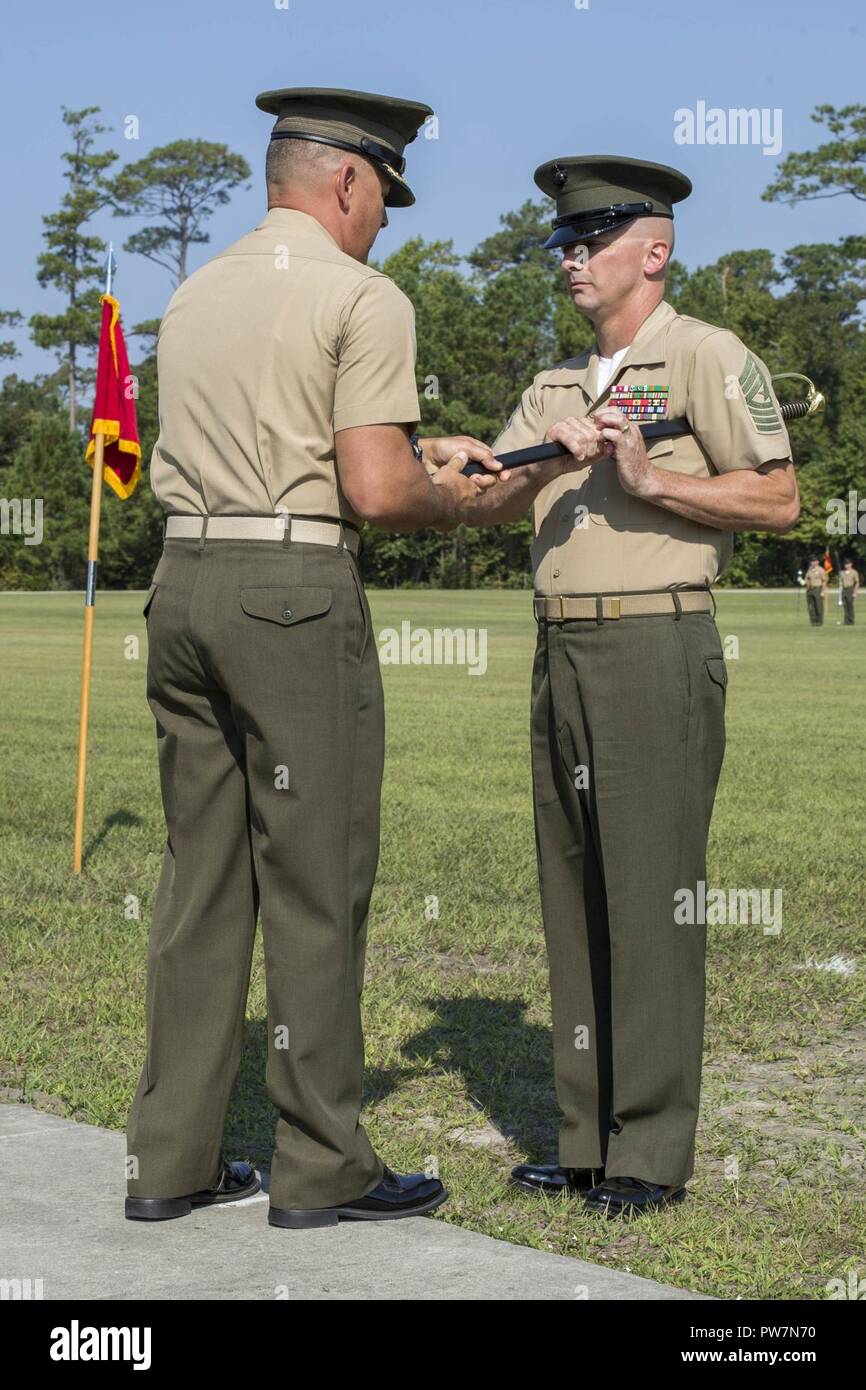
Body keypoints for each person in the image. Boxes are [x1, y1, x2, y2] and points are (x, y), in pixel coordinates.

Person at [125, 86, 503, 1229]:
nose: (383, 220)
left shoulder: (194, 291)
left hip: (183, 583)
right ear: (344, 179)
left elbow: (267, 434)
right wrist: (457, 492)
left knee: (200, 885)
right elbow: (376, 492)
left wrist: (407, 447)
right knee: (314, 886)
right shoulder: (359, 294)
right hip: (291, 599)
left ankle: (169, 1160)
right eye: (382, 197)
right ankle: (322, 1164)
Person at [461, 155, 799, 1217]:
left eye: (589, 240)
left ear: (651, 253)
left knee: (648, 896)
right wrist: (506, 466)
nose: (568, 258)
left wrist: (654, 482)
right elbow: (479, 505)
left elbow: (779, 499)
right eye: (562, 242)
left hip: (654, 644)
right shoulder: (557, 382)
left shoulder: (705, 356)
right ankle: (584, 1138)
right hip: (558, 646)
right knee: (573, 894)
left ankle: (647, 1147)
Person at [804, 557, 828, 625]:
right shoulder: (809, 570)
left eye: (814, 561)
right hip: (810, 589)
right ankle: (813, 621)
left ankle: (819, 621)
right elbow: (807, 579)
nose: (812, 563)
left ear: (817, 562)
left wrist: (823, 591)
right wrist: (804, 583)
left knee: (819, 606)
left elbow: (824, 581)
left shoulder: (821, 570)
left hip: (817, 589)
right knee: (811, 606)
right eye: (811, 561)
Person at [839, 558, 860, 625]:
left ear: (851, 564)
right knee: (845, 605)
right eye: (845, 564)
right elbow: (841, 582)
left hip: (850, 589)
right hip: (844, 590)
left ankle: (851, 620)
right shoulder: (842, 573)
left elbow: (857, 582)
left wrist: (855, 592)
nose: (847, 565)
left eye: (848, 564)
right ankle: (846, 621)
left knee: (850, 605)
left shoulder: (854, 572)